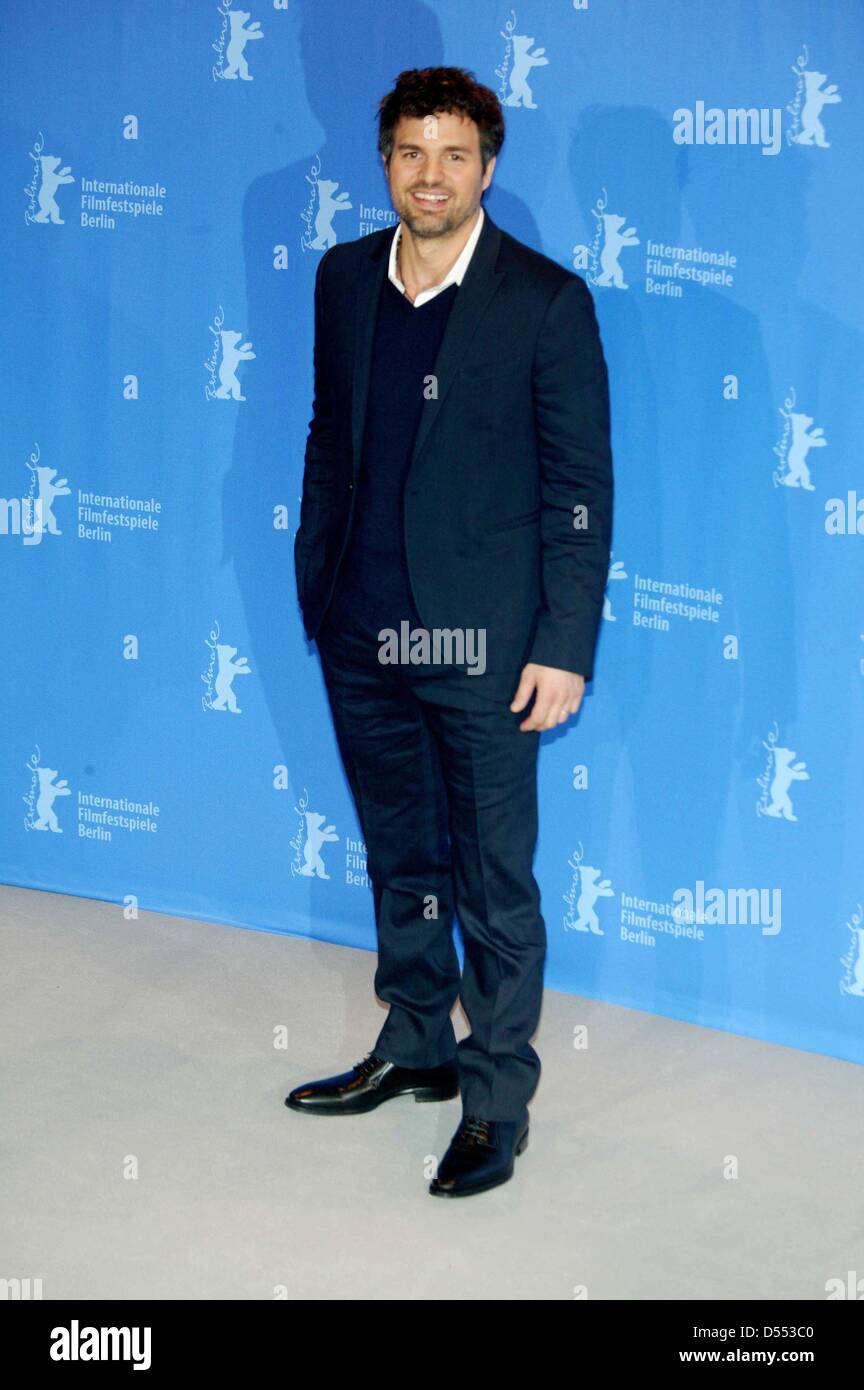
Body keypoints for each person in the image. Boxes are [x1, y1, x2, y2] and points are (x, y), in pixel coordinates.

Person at [288, 66, 613, 1198]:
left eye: (455, 155)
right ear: (384, 161)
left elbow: (580, 487)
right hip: (362, 629)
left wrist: (563, 642)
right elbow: (332, 433)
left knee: (491, 879)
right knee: (403, 858)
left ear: (488, 166)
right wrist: (315, 582)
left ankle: (495, 1103)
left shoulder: (544, 301)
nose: (432, 176)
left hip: (480, 647)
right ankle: (417, 1041)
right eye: (411, 153)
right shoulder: (340, 279)